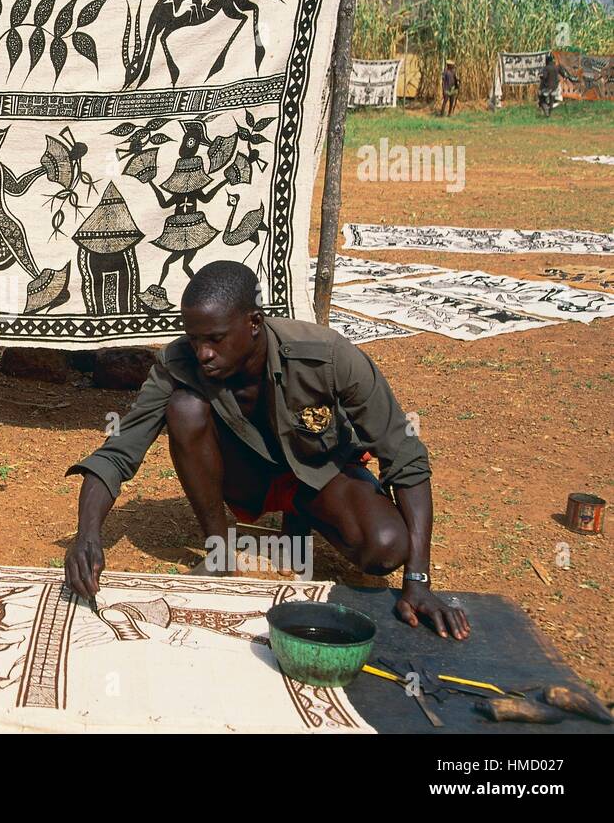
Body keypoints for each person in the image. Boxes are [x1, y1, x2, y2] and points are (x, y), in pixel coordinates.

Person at [64, 261, 470, 640]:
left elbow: (405, 456)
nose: (203, 353)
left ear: (254, 323)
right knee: (185, 408)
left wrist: (418, 581)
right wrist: (87, 533)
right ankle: (220, 552)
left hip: (319, 471)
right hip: (247, 478)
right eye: (194, 338)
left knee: (385, 548)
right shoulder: (178, 364)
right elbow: (119, 450)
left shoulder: (327, 355)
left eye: (216, 339)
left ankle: (302, 514)